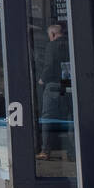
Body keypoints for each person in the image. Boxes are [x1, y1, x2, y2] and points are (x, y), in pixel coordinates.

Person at [36, 21, 71, 159]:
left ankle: (45, 150)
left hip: (53, 84)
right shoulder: (70, 44)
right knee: (67, 117)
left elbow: (49, 65)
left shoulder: (52, 45)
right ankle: (71, 151)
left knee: (48, 117)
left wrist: (42, 79)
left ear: (52, 34)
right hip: (66, 83)